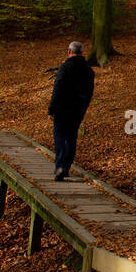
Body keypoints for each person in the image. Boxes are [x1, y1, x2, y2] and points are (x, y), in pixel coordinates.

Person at [48, 41, 94, 181]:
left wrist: (51, 109)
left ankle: (60, 166)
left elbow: (58, 89)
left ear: (69, 51)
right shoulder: (88, 70)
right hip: (78, 109)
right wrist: (84, 107)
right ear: (81, 52)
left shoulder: (65, 68)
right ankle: (66, 167)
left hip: (62, 109)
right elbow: (90, 92)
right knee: (72, 138)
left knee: (60, 137)